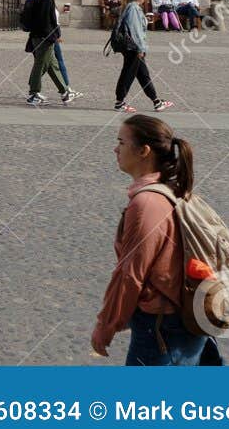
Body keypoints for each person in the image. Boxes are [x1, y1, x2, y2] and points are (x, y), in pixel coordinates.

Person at [91, 115, 221, 366]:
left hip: (163, 330)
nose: (115, 148)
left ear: (144, 151)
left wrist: (106, 326)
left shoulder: (147, 203)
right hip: (181, 323)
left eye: (121, 142)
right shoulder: (171, 188)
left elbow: (130, 274)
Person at [115, 0, 174, 114]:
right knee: (127, 74)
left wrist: (145, 20)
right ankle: (119, 102)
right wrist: (140, 49)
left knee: (143, 75)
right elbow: (135, 30)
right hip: (133, 48)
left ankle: (156, 102)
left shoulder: (131, 7)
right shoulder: (134, 8)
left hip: (132, 47)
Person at [24, 0, 80, 106]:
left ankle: (65, 93)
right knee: (40, 65)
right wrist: (53, 37)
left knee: (52, 65)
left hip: (44, 37)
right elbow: (45, 22)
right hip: (43, 38)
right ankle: (34, 93)